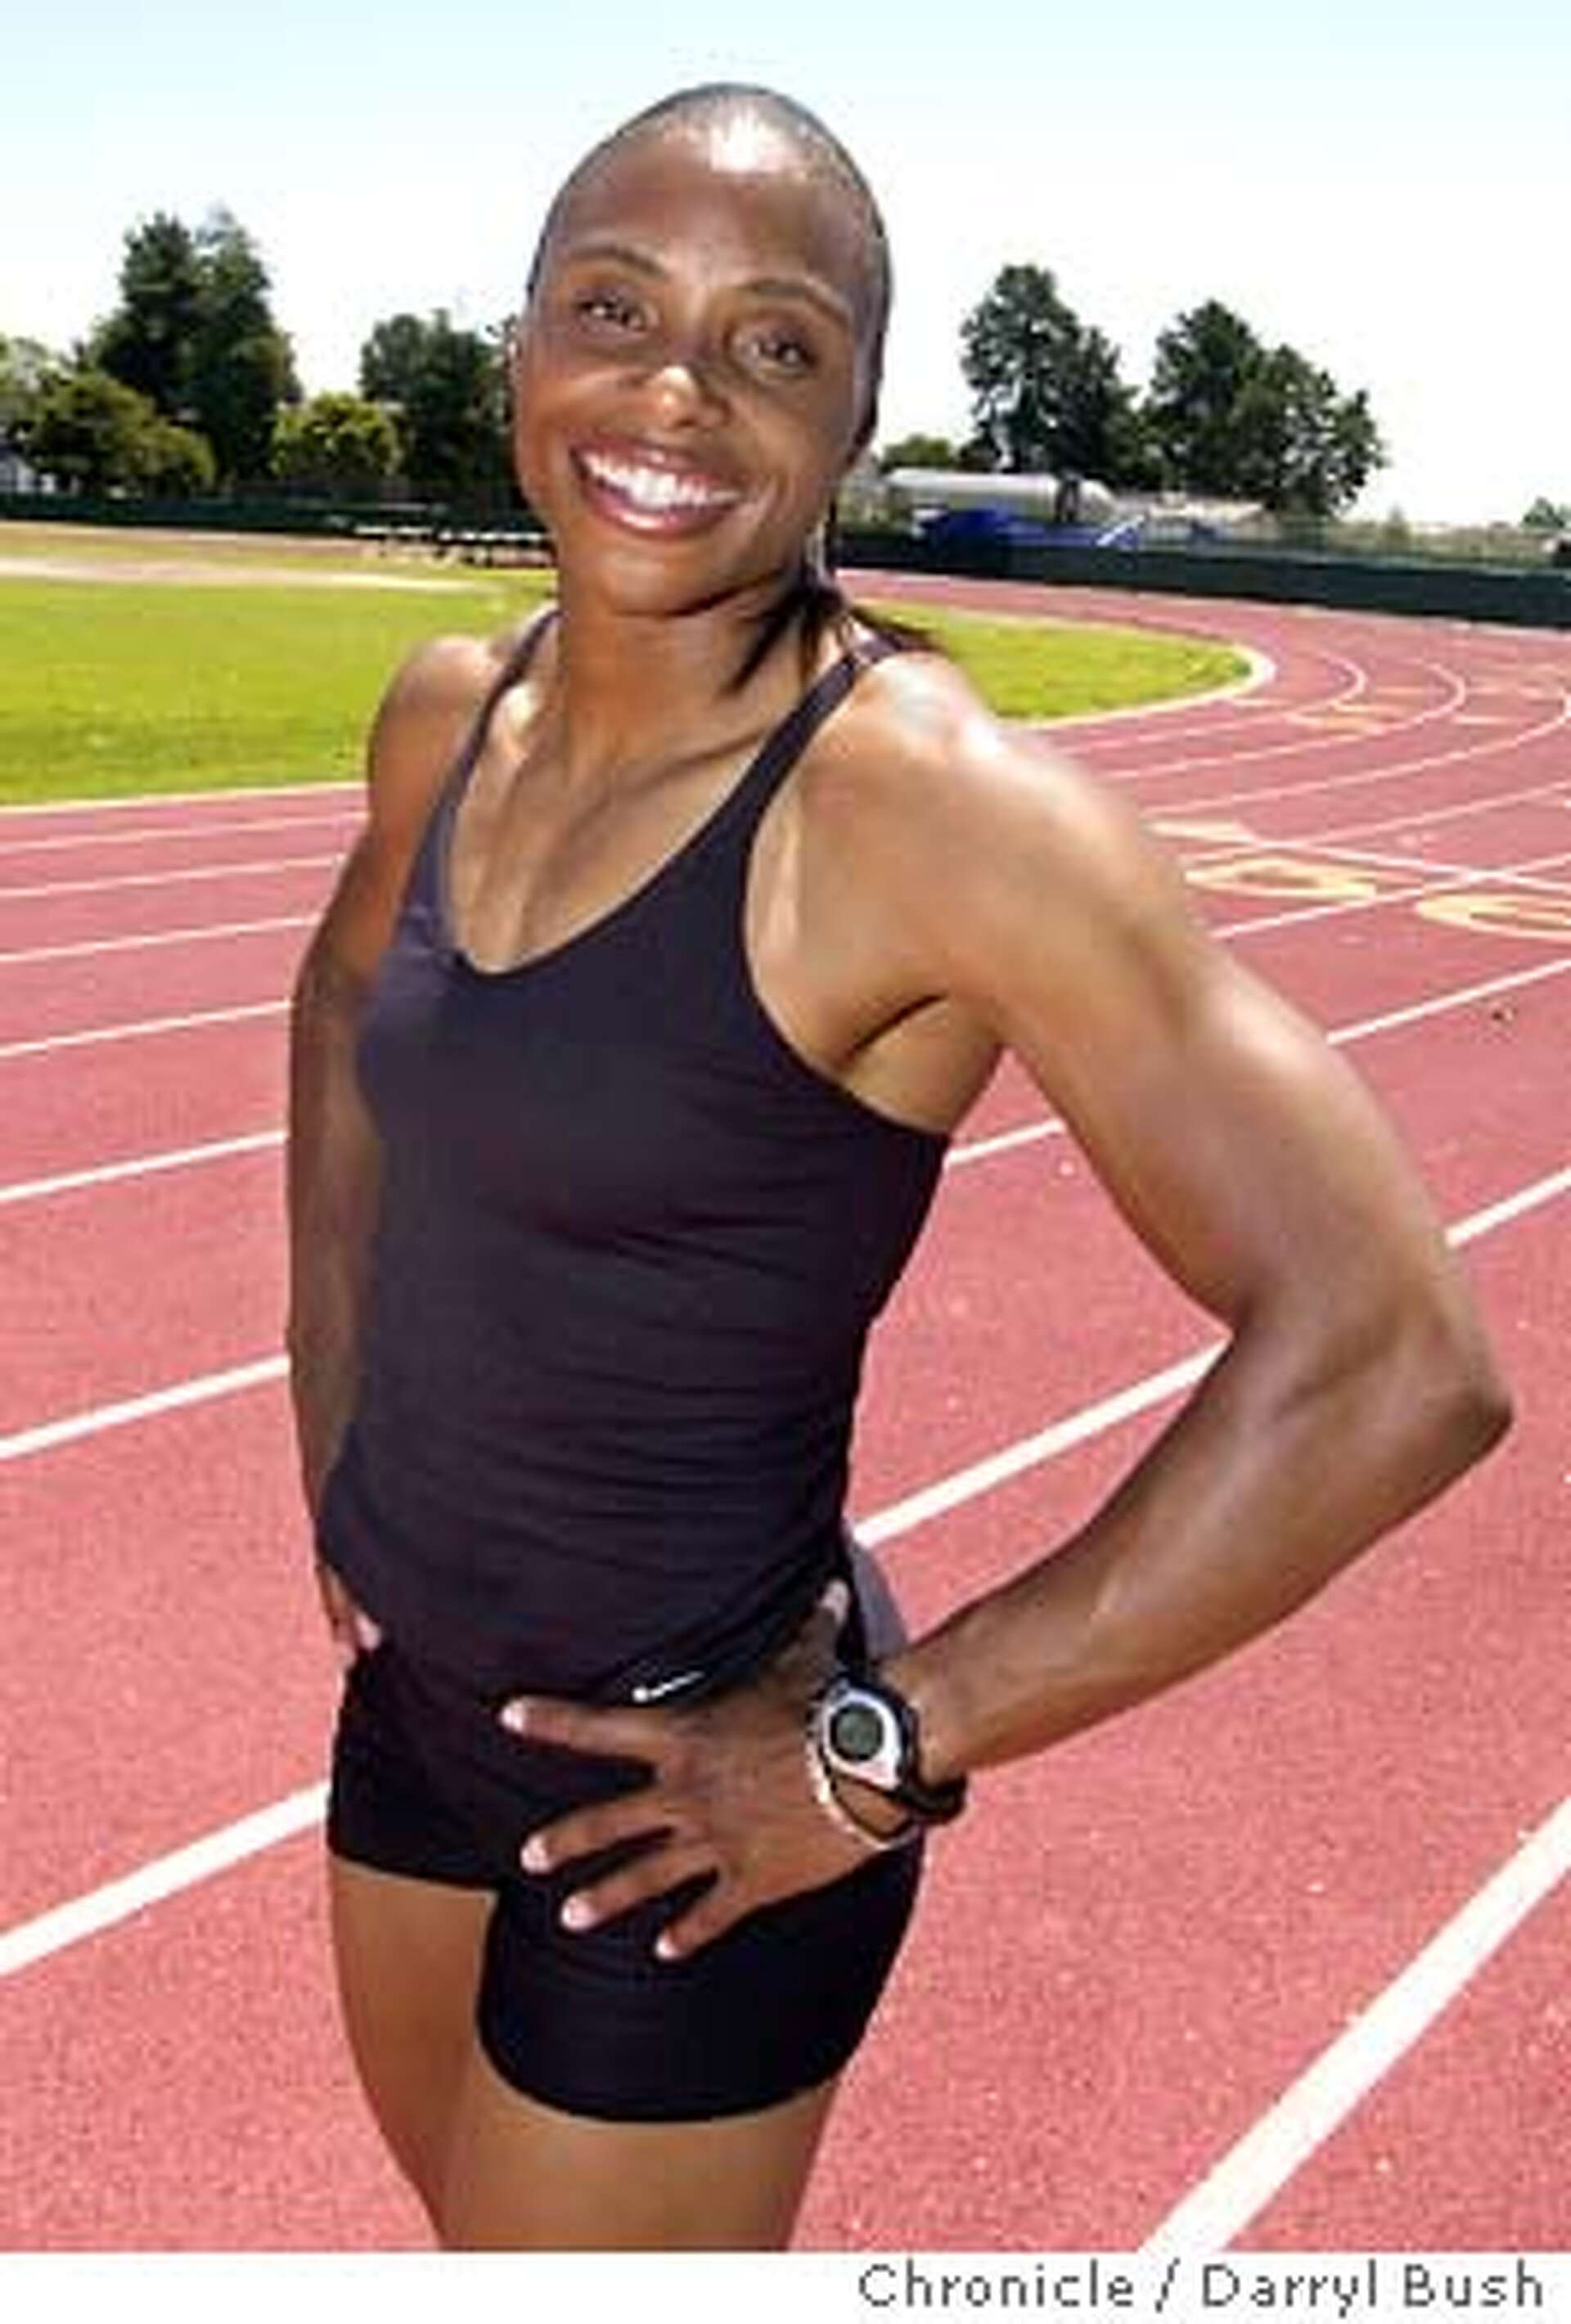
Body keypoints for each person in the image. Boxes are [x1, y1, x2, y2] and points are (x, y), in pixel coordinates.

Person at [286, 83, 1510, 2251]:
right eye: (614, 309)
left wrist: (884, 1746)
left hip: (697, 1802)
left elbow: (1397, 1355)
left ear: (850, 423)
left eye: (773, 345)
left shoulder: (921, 806)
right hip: (414, 1718)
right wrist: (336, 1420)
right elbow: (341, 1011)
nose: (677, 389)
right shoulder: (450, 713)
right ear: (520, 351)